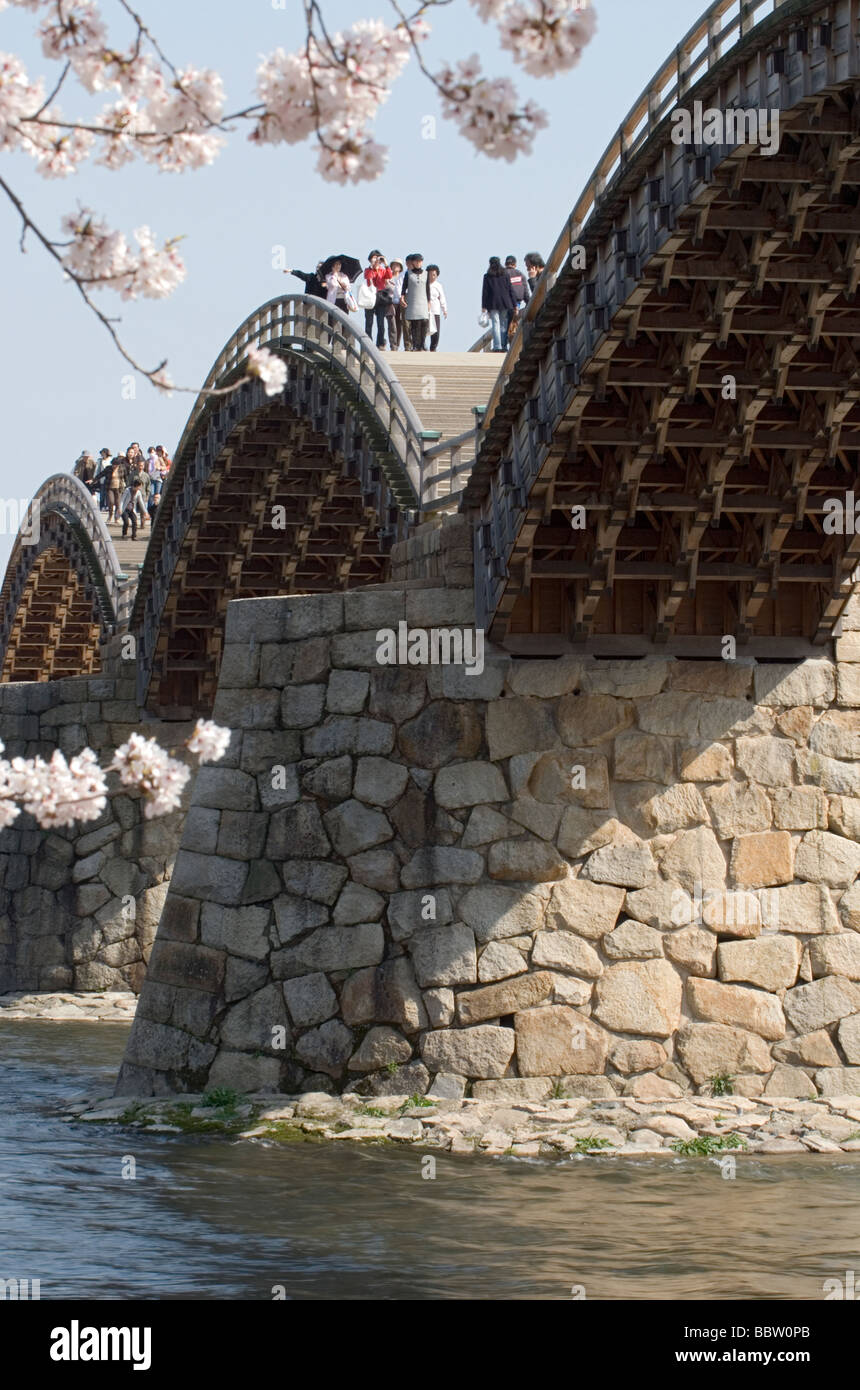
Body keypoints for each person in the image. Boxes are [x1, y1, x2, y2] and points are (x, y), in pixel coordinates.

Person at [482, 255, 517, 352]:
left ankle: (497, 346)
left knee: (495, 324)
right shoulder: (505, 275)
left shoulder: (487, 276)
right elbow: (510, 290)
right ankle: (504, 346)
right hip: (505, 303)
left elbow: (485, 292)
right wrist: (514, 304)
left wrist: (484, 306)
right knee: (503, 324)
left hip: (493, 304)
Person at [362, 250, 396, 349]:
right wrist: (372, 267)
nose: (376, 259)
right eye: (374, 257)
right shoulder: (367, 270)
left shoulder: (383, 270)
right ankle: (368, 343)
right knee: (369, 322)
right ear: (370, 259)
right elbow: (369, 278)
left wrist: (386, 264)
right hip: (370, 295)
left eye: (378, 258)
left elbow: (389, 276)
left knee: (381, 322)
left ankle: (380, 343)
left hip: (381, 296)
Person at [401, 252, 430, 351]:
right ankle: (415, 345)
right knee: (414, 324)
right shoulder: (408, 273)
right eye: (416, 261)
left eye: (420, 261)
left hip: (423, 300)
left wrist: (429, 301)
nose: (418, 263)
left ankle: (422, 343)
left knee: (424, 322)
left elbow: (428, 289)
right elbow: (404, 286)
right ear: (413, 262)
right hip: (413, 300)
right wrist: (402, 297)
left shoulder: (426, 274)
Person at [504, 255, 531, 341]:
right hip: (516, 303)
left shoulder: (501, 274)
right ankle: (512, 339)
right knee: (513, 321)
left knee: (504, 323)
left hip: (504, 303)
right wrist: (529, 303)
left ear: (505, 264)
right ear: (515, 264)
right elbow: (525, 292)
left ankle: (505, 343)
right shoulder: (520, 274)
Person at [427, 265, 448, 352]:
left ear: (437, 275)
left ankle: (433, 348)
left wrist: (444, 310)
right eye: (430, 274)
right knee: (424, 330)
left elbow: (442, 298)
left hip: (435, 311)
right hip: (425, 310)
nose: (432, 277)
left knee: (436, 331)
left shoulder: (438, 285)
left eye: (434, 275)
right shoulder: (424, 284)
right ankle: (421, 346)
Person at [388, 259, 407, 350]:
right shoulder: (388, 276)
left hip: (401, 302)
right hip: (391, 302)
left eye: (397, 265)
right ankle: (393, 344)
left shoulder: (403, 276)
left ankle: (397, 343)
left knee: (400, 324)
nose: (395, 267)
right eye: (394, 265)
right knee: (392, 324)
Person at [106, 453, 127, 522]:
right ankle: (110, 515)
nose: (114, 466)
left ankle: (116, 517)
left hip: (119, 488)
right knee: (111, 501)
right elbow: (101, 474)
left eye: (116, 465)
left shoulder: (122, 468)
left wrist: (127, 485)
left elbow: (126, 477)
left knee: (118, 503)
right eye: (113, 464)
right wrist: (93, 480)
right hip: (110, 487)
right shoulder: (108, 468)